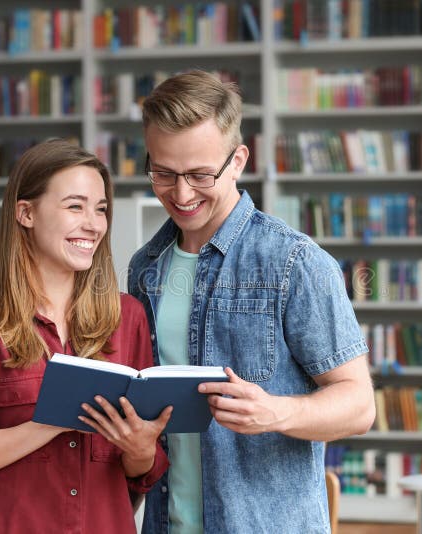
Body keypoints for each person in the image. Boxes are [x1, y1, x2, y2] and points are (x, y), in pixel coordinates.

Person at [129, 70, 376, 533]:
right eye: (163, 173)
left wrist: (276, 412)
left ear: (238, 160)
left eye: (201, 175)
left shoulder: (295, 262)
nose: (181, 194)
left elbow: (360, 405)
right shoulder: (146, 266)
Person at [0, 139, 171, 533]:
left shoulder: (128, 318)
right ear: (26, 213)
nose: (93, 224)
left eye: (101, 209)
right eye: (75, 206)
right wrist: (55, 420)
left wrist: (141, 449)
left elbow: (140, 472)